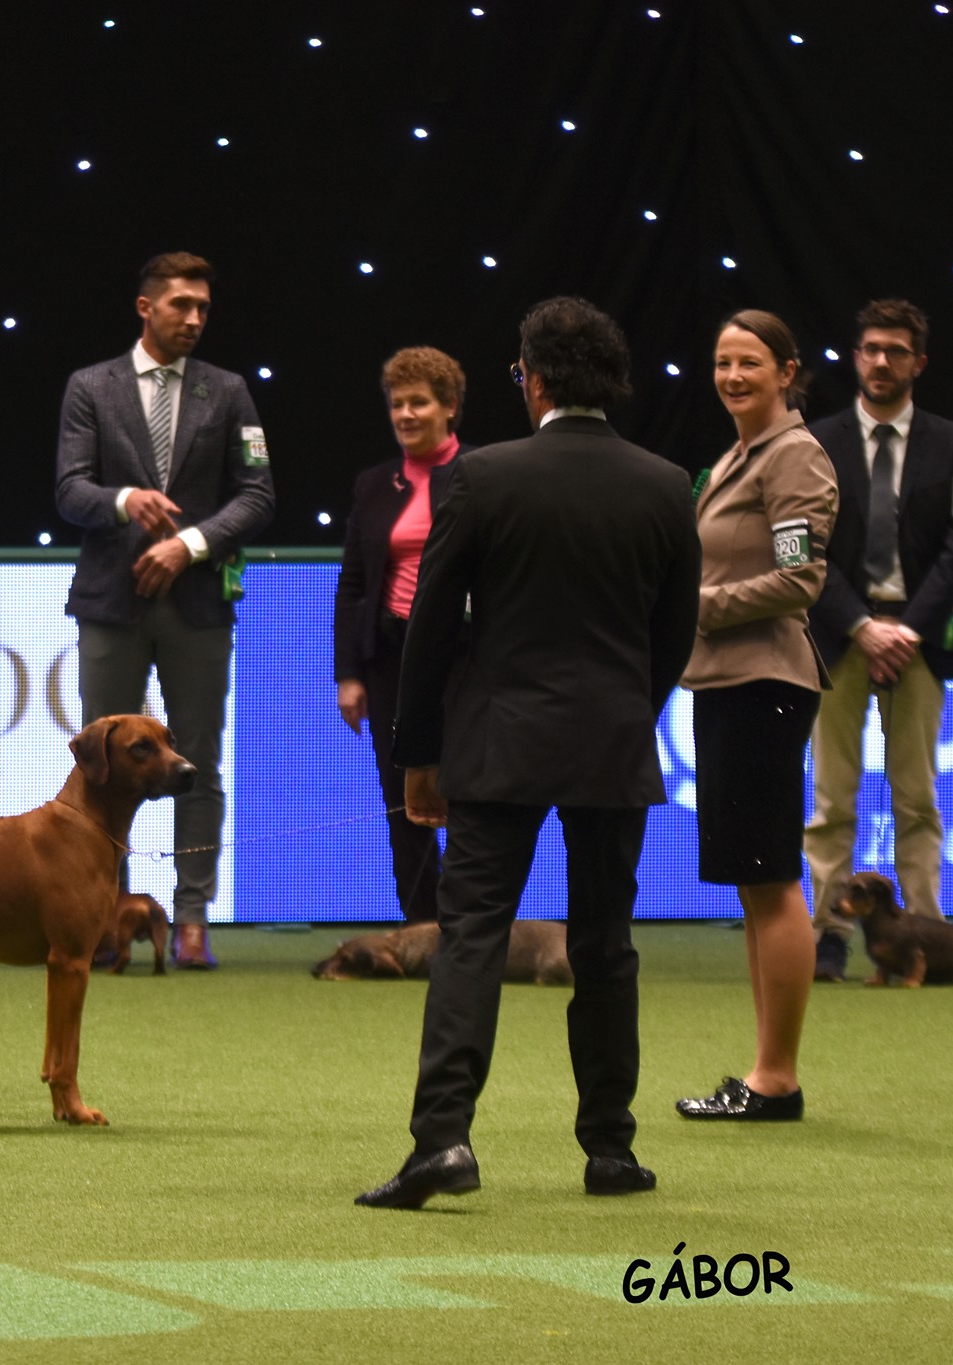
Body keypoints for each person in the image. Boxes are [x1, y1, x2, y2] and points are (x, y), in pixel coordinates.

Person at [355, 298, 699, 1209]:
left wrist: (417, 753)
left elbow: (430, 629)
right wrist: (629, 707)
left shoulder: (484, 478)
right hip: (613, 745)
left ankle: (444, 1142)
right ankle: (611, 1150)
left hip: (498, 743)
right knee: (606, 945)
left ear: (535, 379)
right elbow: (676, 634)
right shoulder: (666, 484)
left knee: (470, 935)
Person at [54, 252, 275, 968]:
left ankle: (189, 915)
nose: (195, 318)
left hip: (197, 604)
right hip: (110, 603)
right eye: (181, 304)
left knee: (196, 764)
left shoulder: (230, 391)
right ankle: (109, 911)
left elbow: (258, 494)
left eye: (204, 307)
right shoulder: (90, 386)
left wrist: (192, 544)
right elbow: (69, 491)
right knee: (102, 767)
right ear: (144, 307)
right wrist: (122, 500)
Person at [674, 310, 838, 1122]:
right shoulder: (736, 457)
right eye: (721, 362)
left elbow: (798, 578)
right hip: (726, 681)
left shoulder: (795, 456)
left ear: (787, 370)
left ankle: (777, 1078)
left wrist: (695, 607)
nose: (732, 376)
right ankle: (767, 1069)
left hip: (765, 680)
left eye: (749, 363)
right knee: (756, 879)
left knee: (772, 878)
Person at [803, 299, 953, 981]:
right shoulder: (815, 441)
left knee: (917, 797)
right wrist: (860, 624)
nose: (883, 361)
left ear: (918, 362)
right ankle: (829, 934)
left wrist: (907, 627)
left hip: (919, 636)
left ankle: (926, 931)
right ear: (856, 358)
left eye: (897, 350)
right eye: (872, 348)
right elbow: (804, 547)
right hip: (839, 633)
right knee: (830, 798)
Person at [333, 347, 470, 923]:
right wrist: (349, 674)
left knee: (465, 789)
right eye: (397, 404)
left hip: (466, 655)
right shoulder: (373, 484)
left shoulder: (482, 476)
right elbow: (353, 583)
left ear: (450, 409)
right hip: (391, 654)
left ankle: (469, 924)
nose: (406, 414)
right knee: (400, 796)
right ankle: (420, 925)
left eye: (419, 402)